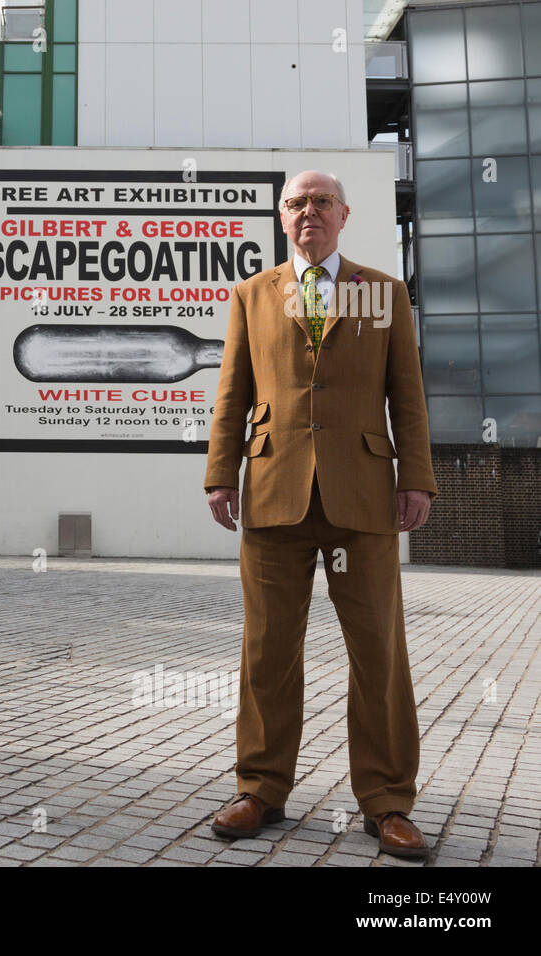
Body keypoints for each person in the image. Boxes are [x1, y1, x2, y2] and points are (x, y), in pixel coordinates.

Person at [204, 170, 437, 859]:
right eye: (298, 202)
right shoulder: (252, 294)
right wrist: (221, 474)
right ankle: (260, 789)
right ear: (283, 216)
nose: (310, 211)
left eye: (322, 202)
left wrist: (415, 477)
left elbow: (409, 394)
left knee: (378, 655)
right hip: (275, 490)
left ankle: (389, 801)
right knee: (267, 653)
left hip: (363, 496)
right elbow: (232, 391)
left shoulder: (383, 292)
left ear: (344, 215)